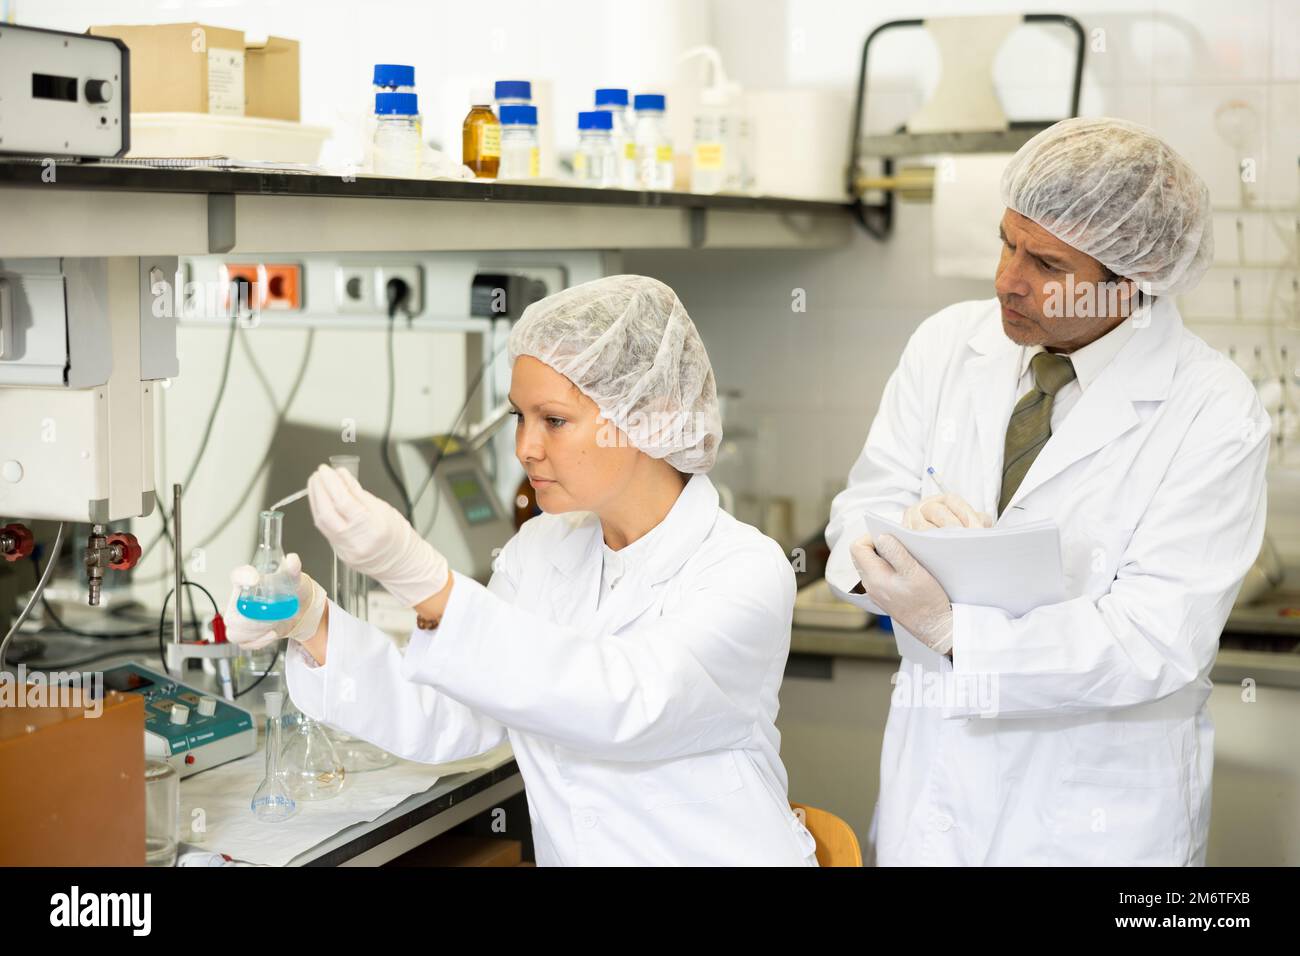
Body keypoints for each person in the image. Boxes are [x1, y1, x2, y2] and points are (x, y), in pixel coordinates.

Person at [226, 274, 818, 867]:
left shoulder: (744, 569)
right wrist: (312, 622)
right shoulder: (542, 550)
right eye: (519, 417)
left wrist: (423, 580)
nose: (525, 448)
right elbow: (453, 713)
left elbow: (626, 702)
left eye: (554, 420)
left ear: (650, 417)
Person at [826, 117, 1269, 866]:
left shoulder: (1213, 411)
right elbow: (855, 519)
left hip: (1094, 822)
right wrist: (887, 547)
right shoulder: (946, 346)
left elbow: (1156, 639)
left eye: (1047, 264)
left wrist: (958, 630)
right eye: (1005, 242)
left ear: (1133, 280)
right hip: (931, 801)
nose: (1007, 280)